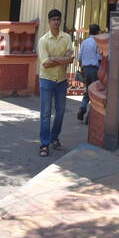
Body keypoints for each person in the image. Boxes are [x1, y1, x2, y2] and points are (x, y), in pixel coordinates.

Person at [37, 9, 73, 157]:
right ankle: (44, 144)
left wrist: (54, 58)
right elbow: (45, 64)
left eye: (58, 19)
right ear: (49, 21)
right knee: (45, 114)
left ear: (61, 21)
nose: (56, 22)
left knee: (60, 112)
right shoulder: (43, 40)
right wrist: (62, 59)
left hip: (62, 81)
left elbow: (71, 58)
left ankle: (54, 137)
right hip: (46, 80)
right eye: (53, 19)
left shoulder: (67, 38)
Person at [77, 23, 101, 125]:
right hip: (95, 69)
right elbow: (99, 58)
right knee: (95, 93)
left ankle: (82, 107)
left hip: (86, 69)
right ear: (98, 32)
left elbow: (80, 57)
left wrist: (82, 68)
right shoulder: (97, 43)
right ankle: (89, 117)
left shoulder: (84, 42)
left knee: (87, 91)